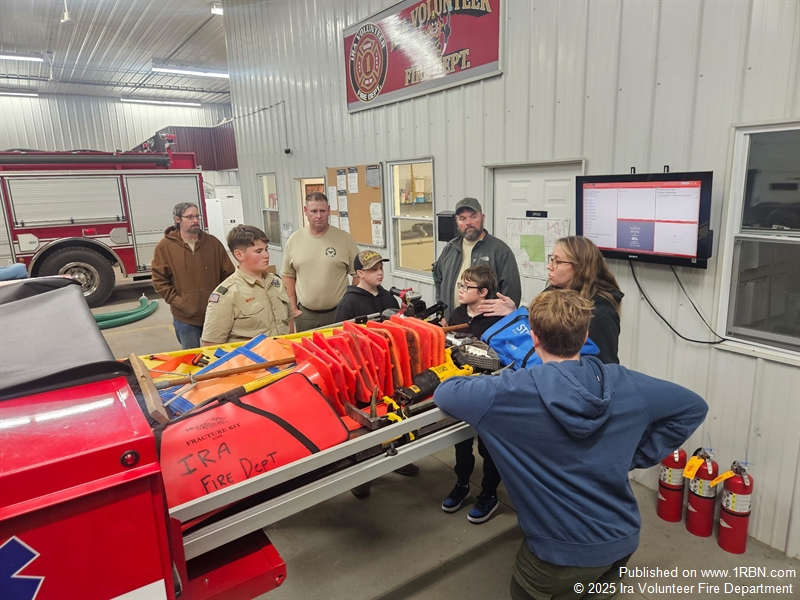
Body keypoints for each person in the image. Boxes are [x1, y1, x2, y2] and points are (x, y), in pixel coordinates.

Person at [434, 290, 708, 600]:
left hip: (557, 557)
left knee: (525, 593)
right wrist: (636, 455)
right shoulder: (623, 381)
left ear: (534, 338)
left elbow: (447, 393)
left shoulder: (508, 392)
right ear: (585, 335)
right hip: (622, 541)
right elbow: (693, 407)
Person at [481, 235, 624, 364]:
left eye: (558, 261)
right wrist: (515, 314)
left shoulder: (601, 313)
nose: (549, 266)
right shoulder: (553, 291)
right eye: (552, 259)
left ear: (580, 267)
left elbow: (606, 368)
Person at [441, 265, 504, 523]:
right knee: (461, 443)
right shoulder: (456, 313)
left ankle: (489, 493)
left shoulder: (497, 319)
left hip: (488, 392)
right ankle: (462, 483)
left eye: (467, 287)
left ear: (484, 292)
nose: (461, 291)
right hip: (461, 390)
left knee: (488, 446)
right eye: (460, 286)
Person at [152, 202, 234, 350]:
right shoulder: (165, 247)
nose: (195, 220)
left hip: (215, 315)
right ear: (177, 219)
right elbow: (159, 280)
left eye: (197, 216)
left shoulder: (213, 244)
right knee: (192, 360)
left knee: (218, 358)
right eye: (189, 217)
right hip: (185, 319)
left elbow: (228, 276)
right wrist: (178, 302)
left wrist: (221, 300)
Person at [282, 192, 361, 331]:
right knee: (306, 352)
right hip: (305, 316)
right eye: (314, 211)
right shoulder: (294, 240)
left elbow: (358, 274)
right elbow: (288, 275)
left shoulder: (344, 239)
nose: (318, 216)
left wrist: (350, 303)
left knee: (338, 351)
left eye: (322, 211)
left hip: (338, 313)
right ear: (306, 211)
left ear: (329, 210)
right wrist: (293, 308)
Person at [433, 197, 521, 322]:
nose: (468, 222)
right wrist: (441, 314)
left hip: (486, 327)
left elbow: (511, 293)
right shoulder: (449, 248)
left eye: (473, 216)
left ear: (483, 218)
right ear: (457, 222)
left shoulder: (500, 250)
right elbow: (438, 281)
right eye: (462, 218)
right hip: (452, 322)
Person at [201, 225, 292, 346]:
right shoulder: (227, 295)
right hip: (251, 362)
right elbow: (210, 345)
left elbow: (289, 323)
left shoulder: (277, 283)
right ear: (239, 255)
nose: (266, 255)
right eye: (258, 251)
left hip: (283, 359)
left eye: (266, 249)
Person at [334, 250, 399, 322]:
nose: (380, 272)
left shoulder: (389, 298)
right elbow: (340, 330)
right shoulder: (348, 303)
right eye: (374, 269)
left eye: (381, 268)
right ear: (360, 273)